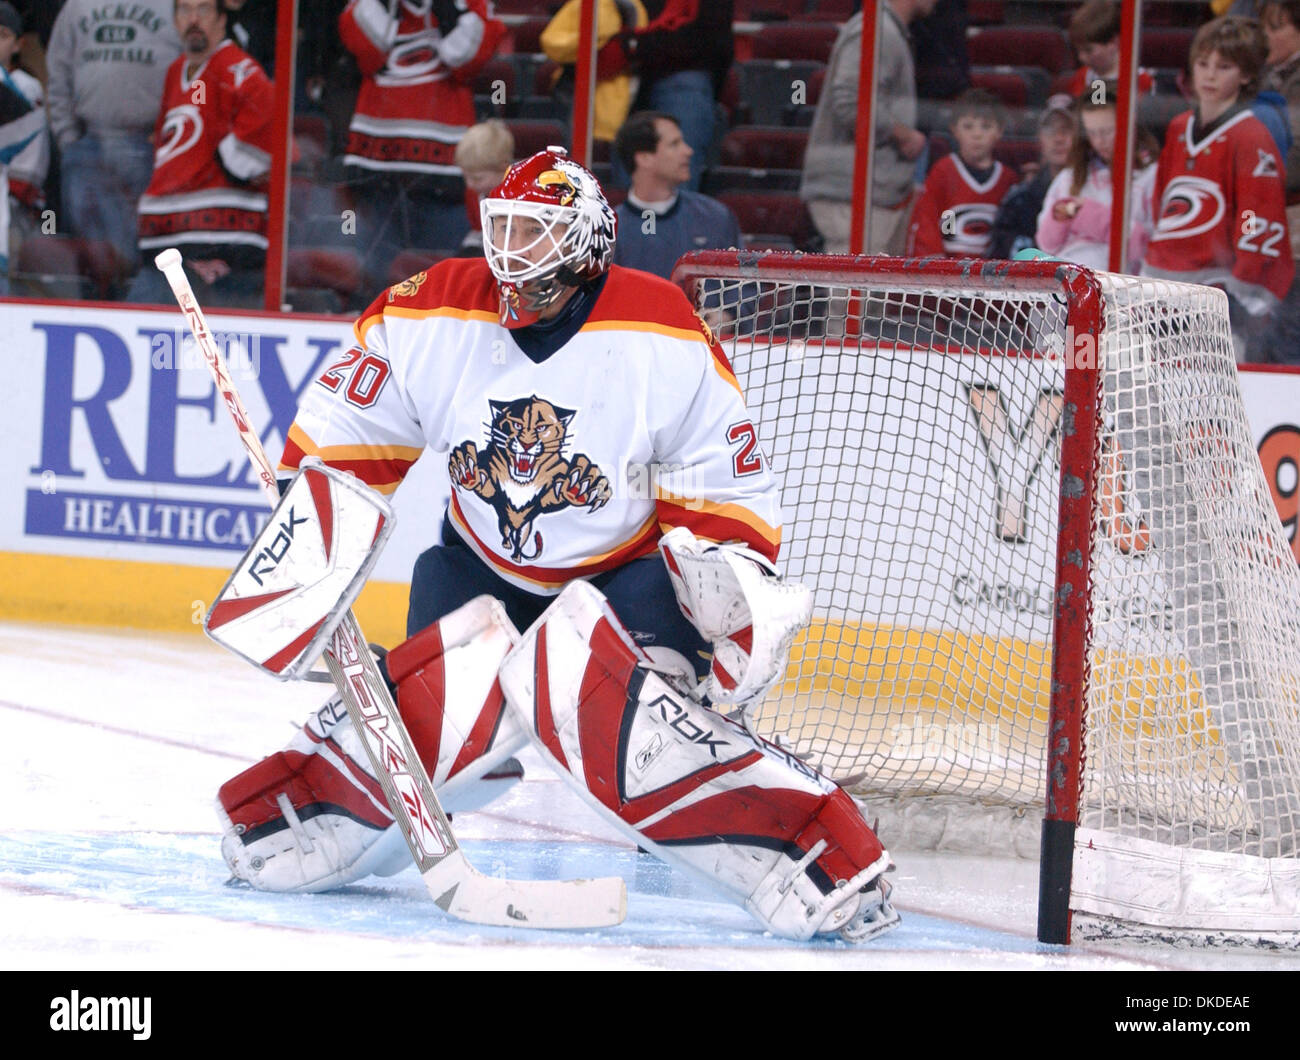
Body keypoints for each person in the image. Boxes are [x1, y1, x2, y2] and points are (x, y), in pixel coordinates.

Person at [212, 147, 900, 945]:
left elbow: (722, 479)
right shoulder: (429, 309)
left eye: (535, 234)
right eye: (502, 228)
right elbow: (346, 443)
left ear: (587, 243)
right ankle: (298, 819)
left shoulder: (659, 324)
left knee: (641, 738)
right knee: (435, 728)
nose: (511, 252)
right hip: (476, 571)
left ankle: (818, 855)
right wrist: (307, 565)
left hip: (625, 579)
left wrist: (730, 588)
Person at [1143, 15, 1294, 359]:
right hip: (1161, 289)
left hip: (1216, 294)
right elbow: (1163, 203)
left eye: (1223, 66)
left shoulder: (1251, 135)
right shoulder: (1180, 127)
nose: (1210, 74)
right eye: (1203, 63)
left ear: (1246, 75)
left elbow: (1254, 216)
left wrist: (1240, 290)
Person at [338, 0, 506, 293]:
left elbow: (469, 58)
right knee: (371, 280)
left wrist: (449, 10)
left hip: (445, 174)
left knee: (447, 281)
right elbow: (366, 51)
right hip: (378, 165)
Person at [125, 0, 275, 309]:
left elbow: (260, 152)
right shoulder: (175, 71)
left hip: (218, 250)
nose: (193, 19)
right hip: (166, 242)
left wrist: (222, 159)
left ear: (222, 17)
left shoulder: (240, 71)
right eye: (184, 10)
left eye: (203, 9)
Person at [44, 0, 181, 284]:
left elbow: (193, 72)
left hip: (150, 146)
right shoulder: (77, 6)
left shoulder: (174, 6)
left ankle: (135, 321)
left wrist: (172, 138)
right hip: (88, 144)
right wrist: (68, 138)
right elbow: (57, 72)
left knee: (146, 258)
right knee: (90, 261)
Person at [800, 0, 939, 255]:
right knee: (855, 292)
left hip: (868, 193)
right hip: (854, 195)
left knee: (868, 292)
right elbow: (851, 101)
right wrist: (904, 135)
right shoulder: (877, 30)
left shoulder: (884, 29)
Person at [1035, 86, 1156, 272]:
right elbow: (1046, 244)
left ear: (1129, 125)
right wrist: (1059, 218)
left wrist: (1085, 214)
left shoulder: (1150, 176)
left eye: (1107, 131)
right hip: (1069, 282)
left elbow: (1145, 247)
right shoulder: (1070, 177)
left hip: (1123, 287)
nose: (1099, 141)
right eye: (1092, 133)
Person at [611, 110, 740, 279]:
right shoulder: (609, 232)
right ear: (644, 158)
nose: (688, 151)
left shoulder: (716, 217)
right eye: (674, 144)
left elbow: (740, 292)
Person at [906, 88, 1019, 258]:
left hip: (992, 275)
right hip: (949, 274)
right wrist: (935, 266)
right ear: (954, 129)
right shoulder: (943, 172)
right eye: (968, 126)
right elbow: (927, 221)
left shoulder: (1008, 179)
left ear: (999, 131)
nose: (977, 134)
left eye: (986, 127)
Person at [541, 0, 648, 145]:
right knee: (568, 157)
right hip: (575, 91)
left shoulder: (633, 7)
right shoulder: (581, 4)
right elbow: (551, 42)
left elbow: (638, 45)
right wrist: (591, 41)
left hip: (620, 98)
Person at [988, 94, 1076, 260]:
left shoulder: (1096, 192)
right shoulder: (1020, 200)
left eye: (1066, 130)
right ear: (1040, 138)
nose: (1058, 138)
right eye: (1051, 130)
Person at [0, 1, 46, 294]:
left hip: (19, 207)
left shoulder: (24, 88)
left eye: (2, 34)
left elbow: (32, 125)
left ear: (19, 44)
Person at [1062, 0, 1155, 98]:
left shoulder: (1140, 80)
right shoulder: (1082, 77)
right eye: (1077, 50)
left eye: (1088, 50)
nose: (1081, 57)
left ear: (1113, 43)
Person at [453, 118, 514, 257]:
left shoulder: (515, 197)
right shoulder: (476, 193)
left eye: (477, 178)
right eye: (465, 177)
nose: (469, 184)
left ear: (504, 167)